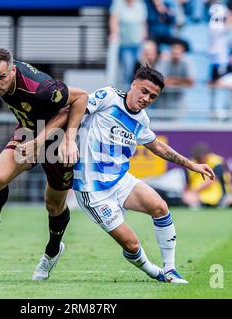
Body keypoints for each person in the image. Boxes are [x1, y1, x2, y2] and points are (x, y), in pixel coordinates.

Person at [25, 65, 215, 284]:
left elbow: (157, 147)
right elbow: (70, 110)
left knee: (160, 207)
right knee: (132, 245)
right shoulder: (108, 97)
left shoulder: (142, 120)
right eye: (144, 91)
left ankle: (170, 269)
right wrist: (43, 140)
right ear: (134, 84)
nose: (146, 98)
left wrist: (191, 165)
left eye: (153, 96)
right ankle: (156, 273)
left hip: (121, 181)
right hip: (93, 190)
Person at [0, 48, 88, 281]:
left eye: (2, 77)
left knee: (53, 206)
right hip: (28, 132)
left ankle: (51, 252)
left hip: (56, 140)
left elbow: (80, 99)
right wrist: (34, 140)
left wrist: (66, 139)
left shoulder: (41, 89)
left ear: (13, 71)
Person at [182, 142, 232, 209]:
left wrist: (193, 191)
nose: (198, 159)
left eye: (199, 157)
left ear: (207, 155)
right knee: (188, 198)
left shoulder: (217, 162)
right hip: (198, 196)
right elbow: (188, 183)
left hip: (218, 196)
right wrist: (187, 194)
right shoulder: (191, 164)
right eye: (196, 157)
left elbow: (211, 181)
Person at [109, 0, 148, 89]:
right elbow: (113, 21)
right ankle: (124, 92)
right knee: (127, 70)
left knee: (141, 70)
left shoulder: (140, 4)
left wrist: (144, 39)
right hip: (125, 44)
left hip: (138, 44)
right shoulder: (118, 3)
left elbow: (144, 23)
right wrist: (114, 34)